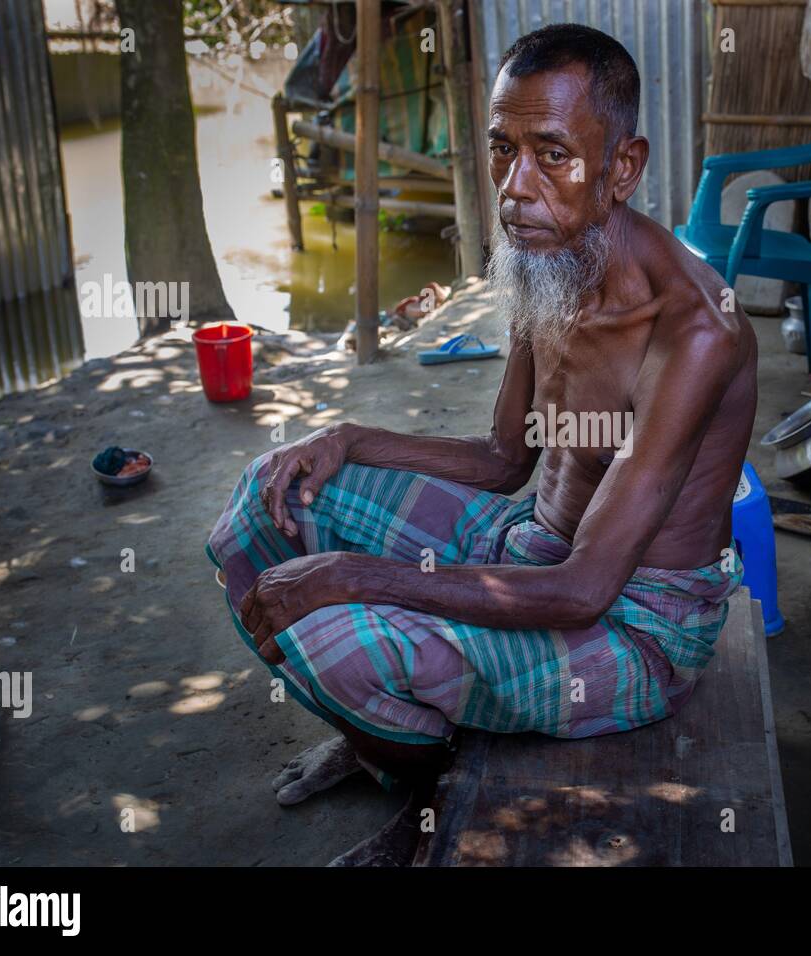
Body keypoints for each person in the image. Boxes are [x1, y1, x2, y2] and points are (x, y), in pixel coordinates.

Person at [207, 22, 757, 866]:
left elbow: (582, 590)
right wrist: (345, 438)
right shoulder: (551, 263)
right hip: (529, 546)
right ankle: (385, 744)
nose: (515, 187)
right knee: (267, 499)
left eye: (552, 155)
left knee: (334, 637)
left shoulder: (693, 332)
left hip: (633, 623)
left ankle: (426, 806)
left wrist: (352, 575)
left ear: (623, 167)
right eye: (503, 150)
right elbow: (505, 460)